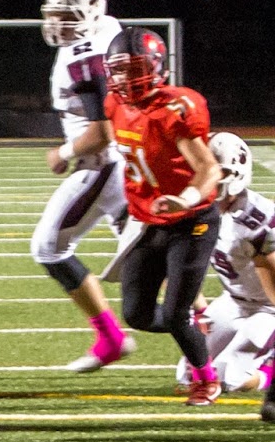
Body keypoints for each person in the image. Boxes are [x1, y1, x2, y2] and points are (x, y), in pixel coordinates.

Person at [63, 27, 222, 405]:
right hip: (147, 221)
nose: (125, 79)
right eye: (118, 70)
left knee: (176, 312)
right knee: (135, 314)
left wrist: (185, 198)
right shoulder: (115, 105)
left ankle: (207, 378)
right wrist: (69, 153)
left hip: (191, 221)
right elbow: (105, 138)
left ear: (156, 66)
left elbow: (208, 168)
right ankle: (199, 329)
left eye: (134, 69)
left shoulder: (174, 109)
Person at [33, 0, 135, 372]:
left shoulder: (85, 58)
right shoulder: (109, 29)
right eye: (53, 16)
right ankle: (205, 341)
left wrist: (64, 151)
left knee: (48, 247)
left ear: (87, 15)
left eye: (65, 17)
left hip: (104, 163)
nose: (56, 25)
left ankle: (110, 337)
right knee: (147, 256)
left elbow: (102, 131)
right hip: (126, 158)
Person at [172, 133, 275, 395]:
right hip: (234, 299)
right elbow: (180, 264)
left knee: (230, 379)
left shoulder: (255, 222)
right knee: (189, 372)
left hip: (268, 308)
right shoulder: (197, 212)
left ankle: (270, 372)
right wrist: (198, 310)